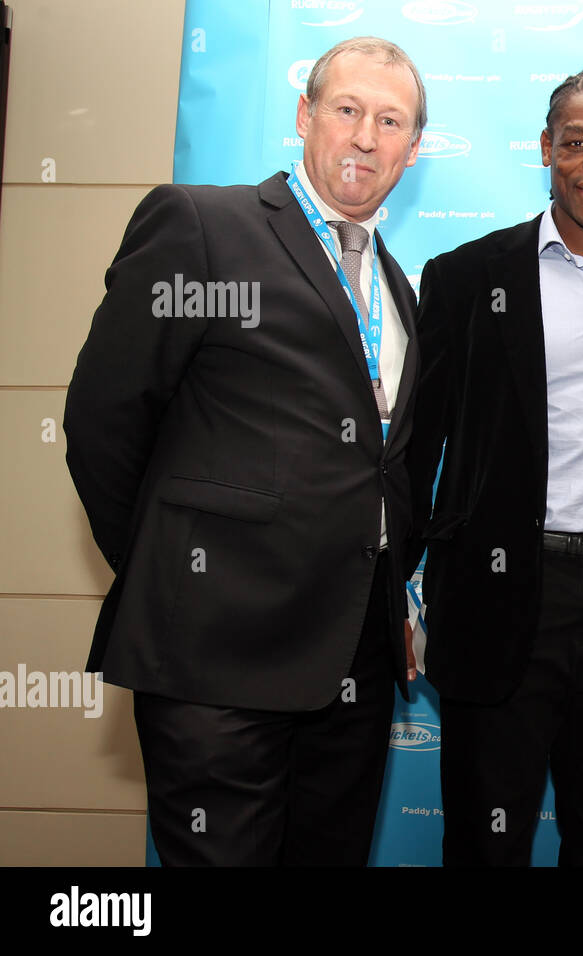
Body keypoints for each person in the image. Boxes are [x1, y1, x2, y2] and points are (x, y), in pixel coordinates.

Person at [63, 37, 427, 865]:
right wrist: (177, 568)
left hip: (351, 671)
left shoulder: (398, 286)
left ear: (412, 149)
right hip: (214, 663)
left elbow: (380, 467)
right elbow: (103, 419)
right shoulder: (203, 224)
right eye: (347, 110)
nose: (366, 137)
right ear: (304, 117)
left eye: (390, 120)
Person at [408, 68, 583, 866]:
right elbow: (414, 453)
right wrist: (392, 590)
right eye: (576, 143)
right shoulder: (468, 280)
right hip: (502, 598)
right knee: (484, 842)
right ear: (546, 151)